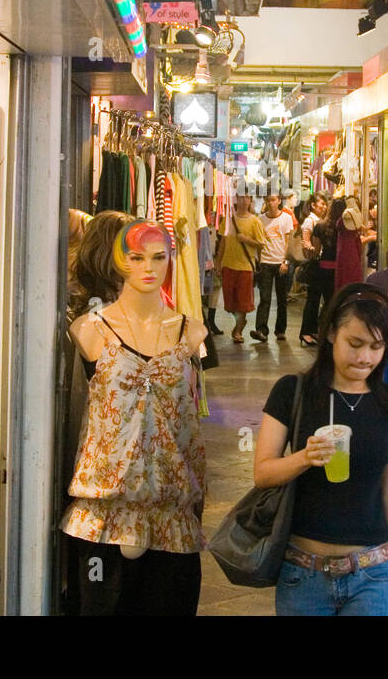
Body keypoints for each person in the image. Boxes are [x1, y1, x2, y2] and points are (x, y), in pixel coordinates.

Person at [63, 219, 209, 615]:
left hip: (172, 517)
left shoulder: (190, 332)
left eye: (159, 257)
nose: (148, 267)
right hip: (102, 516)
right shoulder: (90, 330)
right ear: (119, 262)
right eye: (136, 257)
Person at [255, 283, 388, 616]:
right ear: (330, 335)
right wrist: (303, 458)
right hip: (303, 572)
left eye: (376, 346)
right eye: (354, 344)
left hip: (373, 571)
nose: (365, 357)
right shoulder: (293, 391)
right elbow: (263, 473)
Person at [218, 193, 266, 344]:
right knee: (230, 302)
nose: (244, 201)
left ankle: (238, 330)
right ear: (235, 199)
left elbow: (261, 243)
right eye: (240, 197)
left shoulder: (255, 221)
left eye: (247, 197)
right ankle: (239, 321)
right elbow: (223, 243)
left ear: (251, 200)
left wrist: (246, 240)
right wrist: (218, 262)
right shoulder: (228, 219)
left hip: (246, 266)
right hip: (228, 264)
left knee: (243, 302)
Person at [253, 192, 297, 342]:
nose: (271, 203)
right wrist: (258, 261)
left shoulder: (286, 218)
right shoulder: (261, 219)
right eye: (268, 200)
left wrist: (285, 261)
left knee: (281, 299)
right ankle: (261, 330)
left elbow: (288, 241)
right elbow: (259, 241)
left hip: (280, 262)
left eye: (273, 200)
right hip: (265, 262)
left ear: (278, 201)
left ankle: (280, 330)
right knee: (264, 298)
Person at [300, 192, 336, 347]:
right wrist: (316, 249)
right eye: (321, 204)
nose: (324, 207)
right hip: (316, 265)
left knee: (321, 299)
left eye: (325, 205)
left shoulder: (323, 222)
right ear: (313, 205)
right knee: (313, 300)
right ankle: (307, 332)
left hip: (323, 265)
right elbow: (306, 244)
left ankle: (315, 331)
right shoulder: (311, 222)